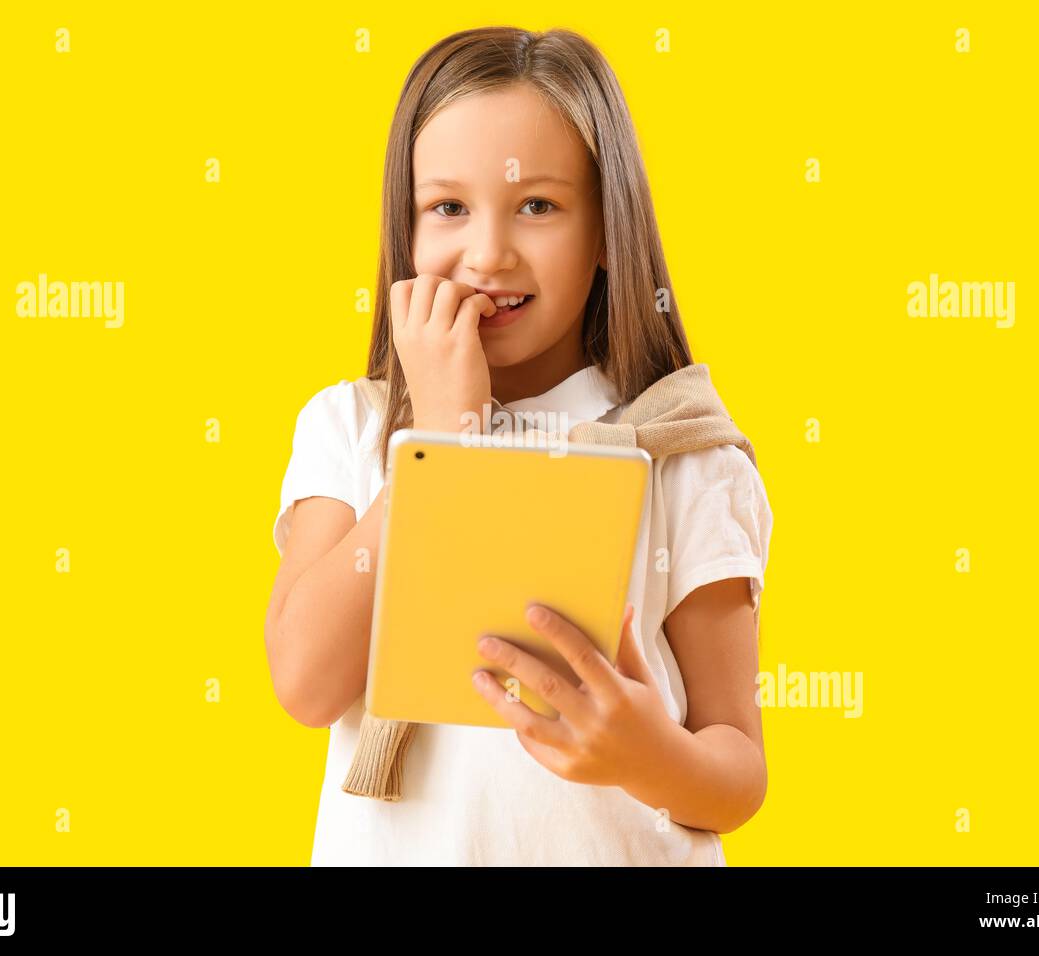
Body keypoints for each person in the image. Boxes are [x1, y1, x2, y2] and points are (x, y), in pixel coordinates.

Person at [264, 26, 773, 866]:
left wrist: (655, 757)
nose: (487, 253)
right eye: (448, 208)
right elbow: (307, 682)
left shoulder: (682, 450)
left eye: (538, 205)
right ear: (408, 229)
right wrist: (438, 444)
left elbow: (738, 768)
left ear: (608, 229)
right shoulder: (352, 430)